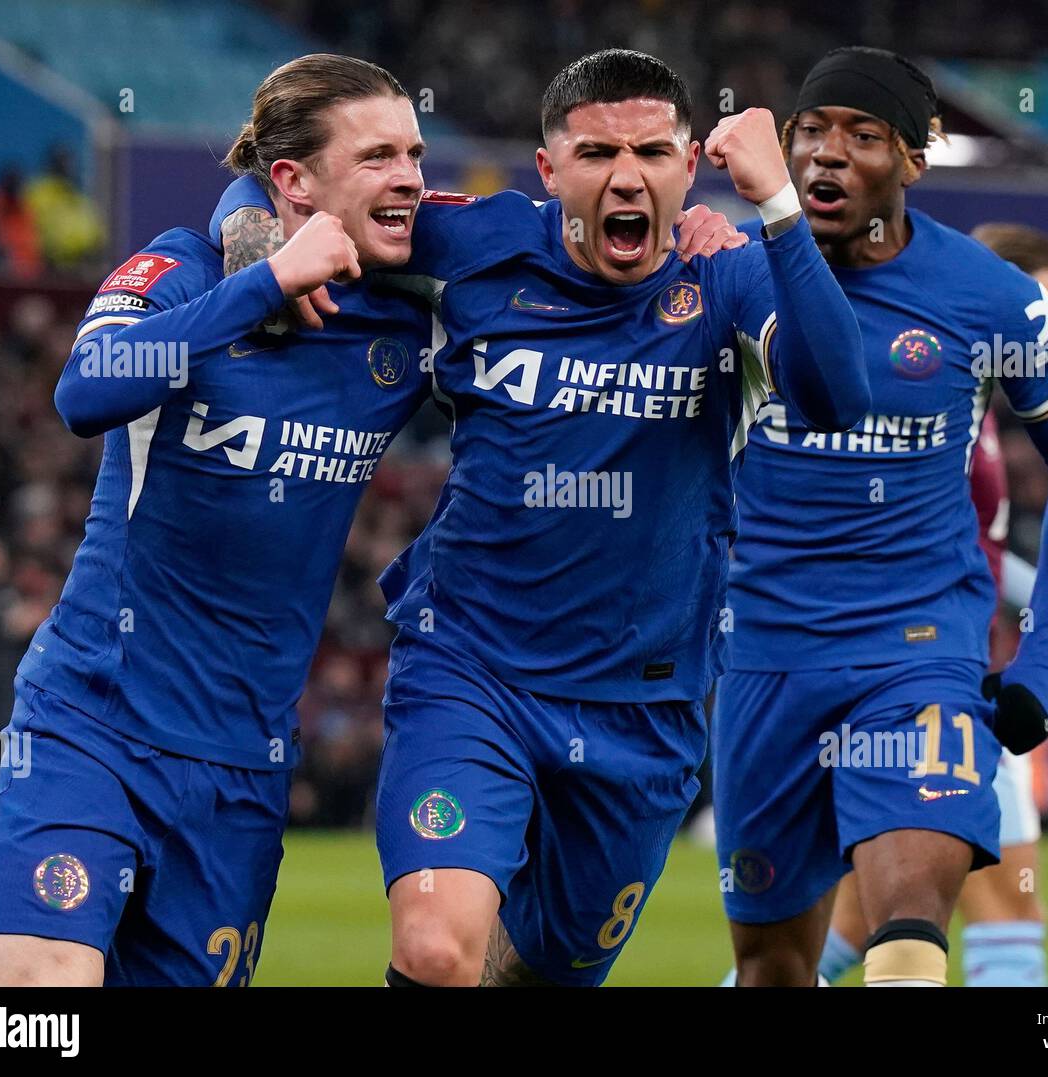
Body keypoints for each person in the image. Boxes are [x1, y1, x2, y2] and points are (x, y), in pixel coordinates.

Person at [211, 47, 870, 986]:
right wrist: (246, 235)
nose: (627, 176)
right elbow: (284, 182)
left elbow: (839, 396)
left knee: (538, 974)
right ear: (549, 169)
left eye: (652, 152)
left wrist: (778, 209)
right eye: (597, 154)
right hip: (471, 667)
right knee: (438, 951)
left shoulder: (728, 276)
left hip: (642, 703)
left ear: (690, 168)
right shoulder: (476, 244)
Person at [0, 54, 438, 986]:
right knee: (36, 993)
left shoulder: (402, 315)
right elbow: (84, 390)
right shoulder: (181, 271)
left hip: (240, 765)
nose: (412, 177)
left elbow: (543, 238)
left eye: (415, 153)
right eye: (379, 155)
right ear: (293, 181)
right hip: (92, 721)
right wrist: (262, 280)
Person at [711, 46, 1048, 987]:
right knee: (776, 965)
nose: (827, 156)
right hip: (766, 658)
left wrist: (1043, 659)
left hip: (919, 649)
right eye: (811, 132)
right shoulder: (732, 274)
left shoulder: (991, 294)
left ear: (913, 161)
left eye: (863, 136)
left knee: (908, 915)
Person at [816, 223, 1048, 988]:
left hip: (941, 677)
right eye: (1045, 309)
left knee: (851, 929)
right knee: (1002, 918)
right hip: (926, 686)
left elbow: (981, 554)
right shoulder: (938, 412)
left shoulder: (977, 408)